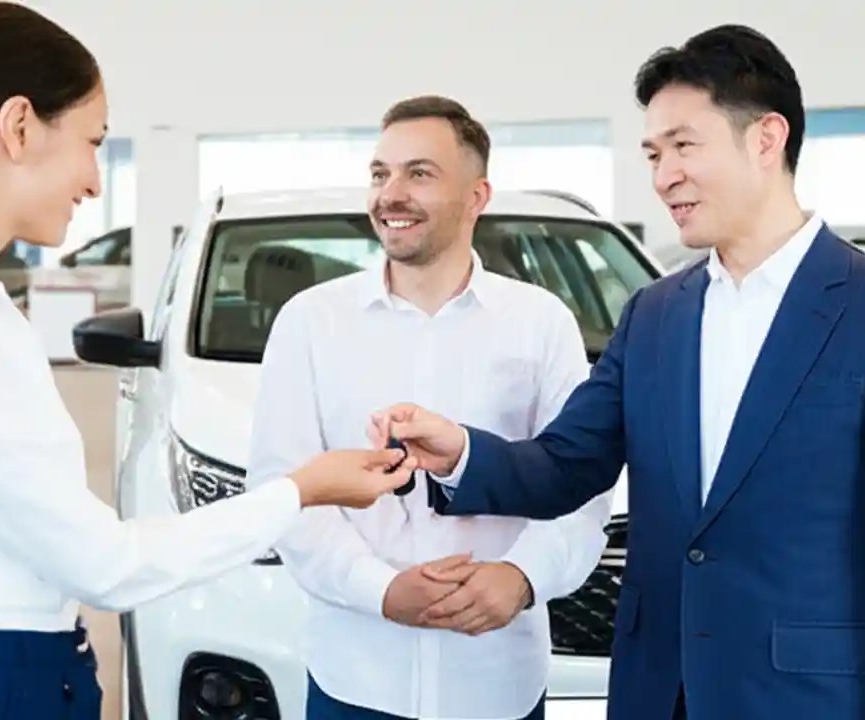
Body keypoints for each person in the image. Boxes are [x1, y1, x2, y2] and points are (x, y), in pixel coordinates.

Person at [0, 4, 412, 720]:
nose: (95, 180)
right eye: (92, 141)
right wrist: (299, 493)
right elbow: (104, 565)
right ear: (19, 125)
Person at [369, 25, 865, 720]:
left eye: (685, 146)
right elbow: (568, 462)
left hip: (808, 699)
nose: (664, 176)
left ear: (766, 138)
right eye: (654, 154)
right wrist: (462, 454)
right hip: (659, 692)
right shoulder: (657, 314)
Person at [245, 95, 614, 720]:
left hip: (497, 678)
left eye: (419, 173)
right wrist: (383, 590)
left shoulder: (540, 323)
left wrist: (521, 579)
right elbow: (283, 491)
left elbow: (582, 489)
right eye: (380, 173)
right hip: (356, 674)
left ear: (477, 196)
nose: (392, 194)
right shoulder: (311, 322)